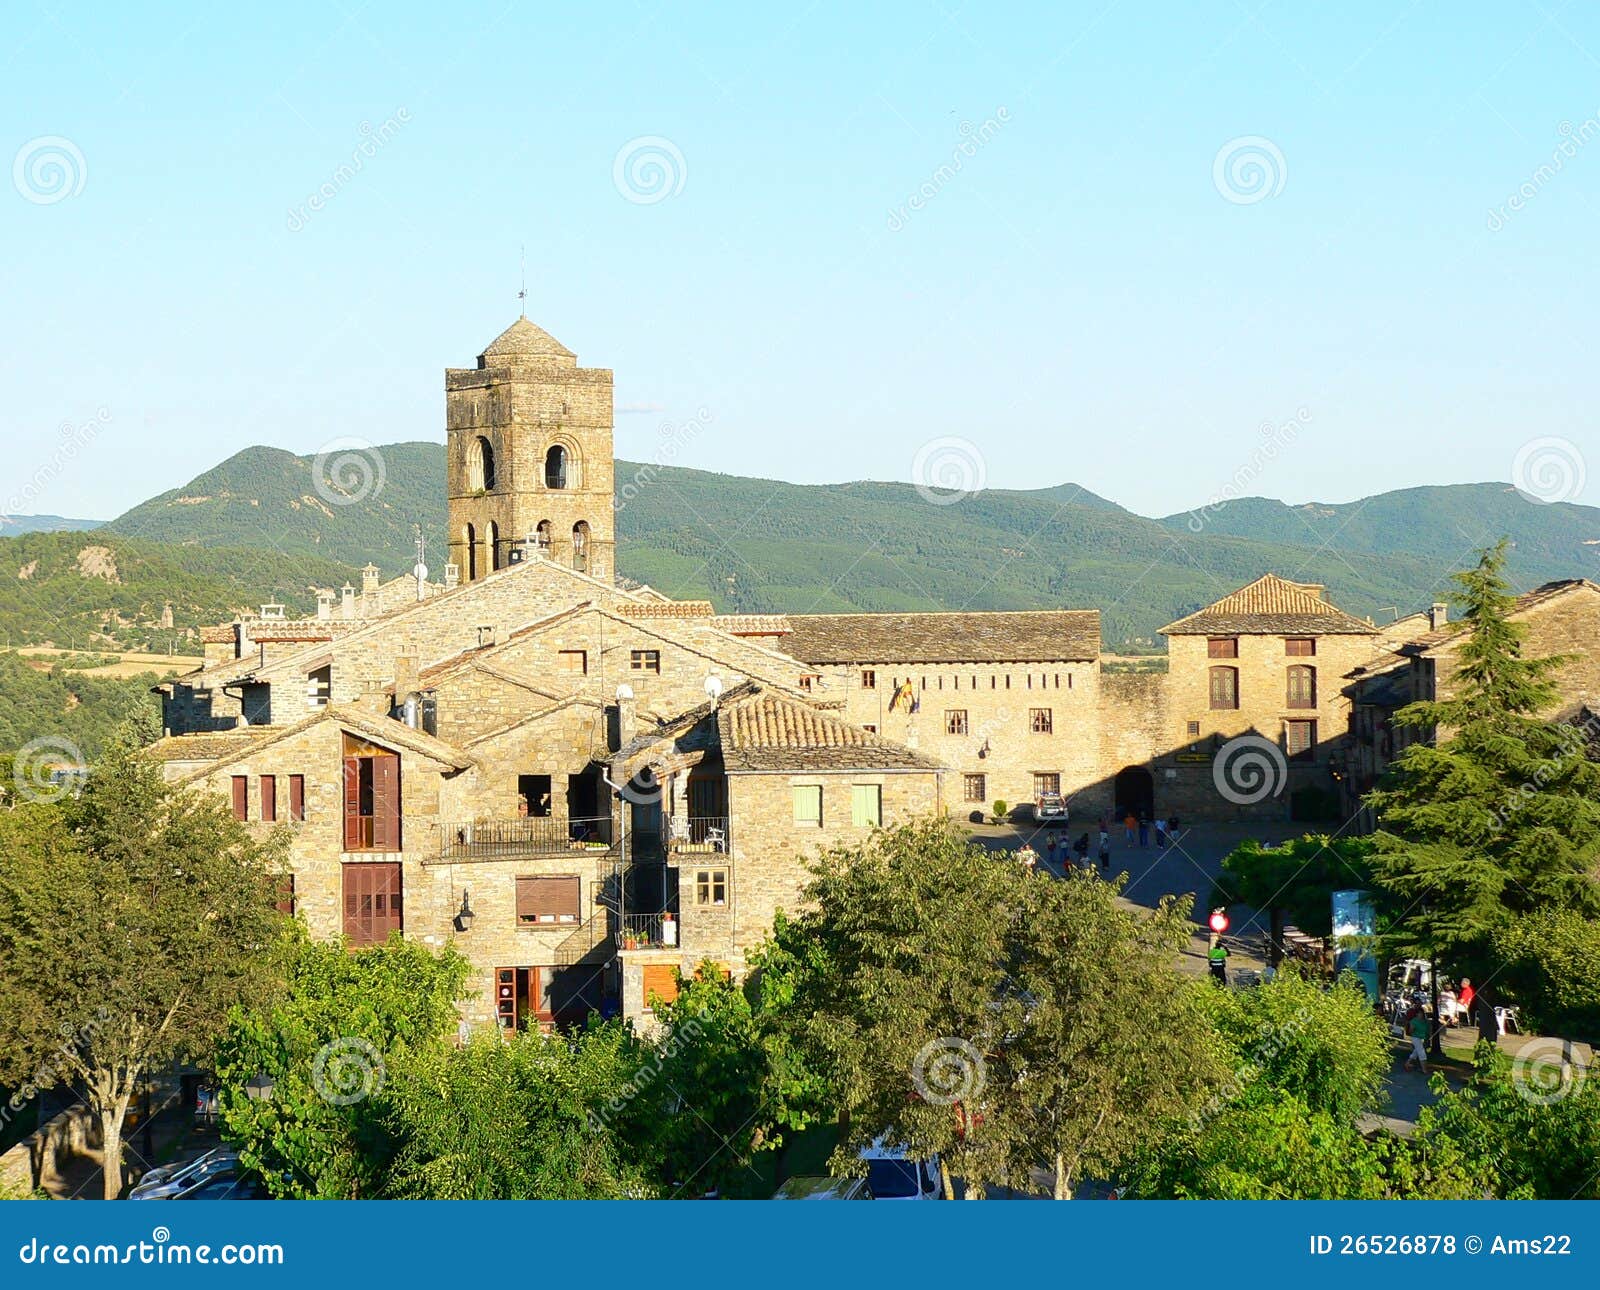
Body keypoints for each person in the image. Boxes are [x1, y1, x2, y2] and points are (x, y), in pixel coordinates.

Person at [1404, 1004, 1431, 1074]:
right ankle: (1424, 1069)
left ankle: (1407, 1063)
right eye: (1419, 1013)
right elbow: (1410, 1031)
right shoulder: (1414, 1021)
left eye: (1422, 1013)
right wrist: (1412, 1029)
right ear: (1416, 1014)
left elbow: (1428, 1030)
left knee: (1416, 1052)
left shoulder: (1425, 1021)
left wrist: (1428, 1038)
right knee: (1422, 1053)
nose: (1421, 1015)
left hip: (1423, 1038)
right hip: (1416, 1038)